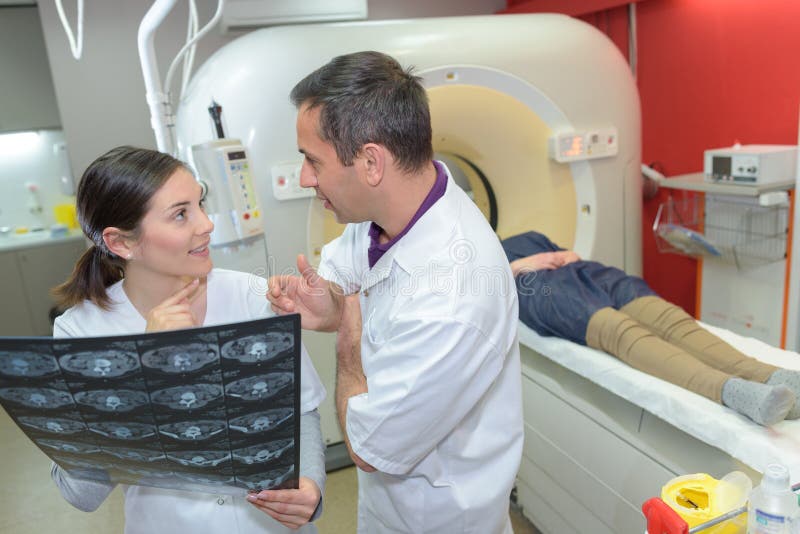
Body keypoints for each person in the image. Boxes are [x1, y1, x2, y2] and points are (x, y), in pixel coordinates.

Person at [267, 51, 523, 533]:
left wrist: (347, 332)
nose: (304, 178)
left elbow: (366, 449)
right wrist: (336, 302)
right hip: (390, 505)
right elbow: (346, 272)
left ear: (370, 162)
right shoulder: (394, 209)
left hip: (438, 516)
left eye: (312, 161)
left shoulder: (455, 299)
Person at [50, 146, 327, 534]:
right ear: (121, 243)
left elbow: (302, 411)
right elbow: (80, 495)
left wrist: (311, 489)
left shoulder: (250, 296)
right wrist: (142, 372)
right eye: (181, 214)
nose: (207, 223)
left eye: (200, 203)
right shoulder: (82, 333)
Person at [502, 230, 800, 426]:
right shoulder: (479, 254)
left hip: (586, 272)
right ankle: (734, 392)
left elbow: (568, 253)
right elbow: (479, 293)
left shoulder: (530, 234)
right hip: (535, 287)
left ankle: (773, 376)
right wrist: (520, 266)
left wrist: (567, 255)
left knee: (671, 320)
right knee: (621, 332)